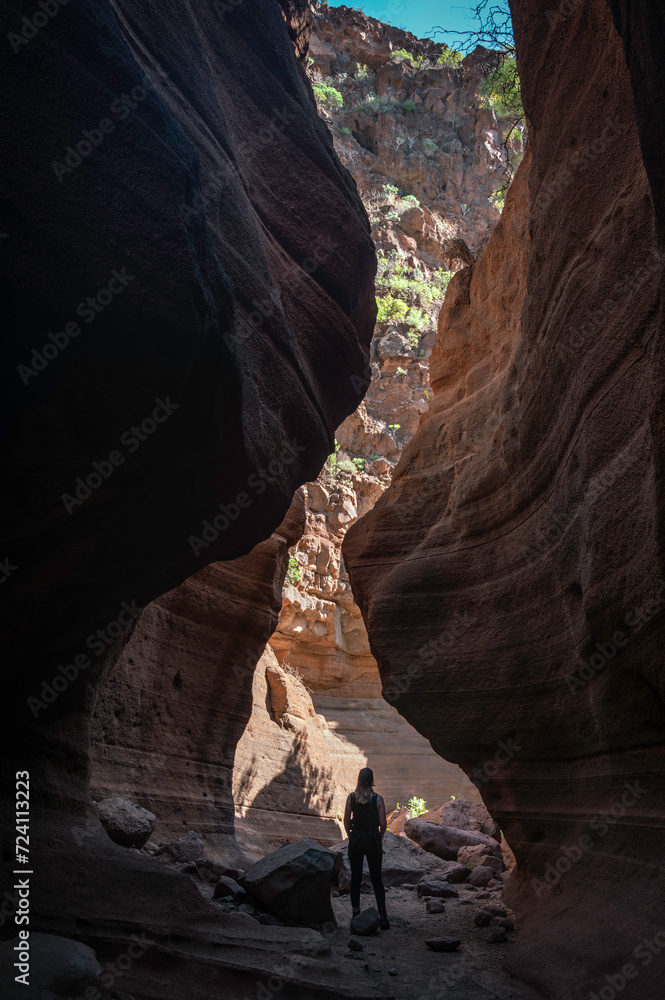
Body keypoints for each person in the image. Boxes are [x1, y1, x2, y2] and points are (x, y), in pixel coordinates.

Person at [343, 766, 389, 930]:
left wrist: (351, 835)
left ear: (359, 780)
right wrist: (380, 835)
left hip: (356, 840)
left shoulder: (351, 798)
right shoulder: (378, 799)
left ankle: (356, 914)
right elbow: (383, 823)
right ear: (372, 781)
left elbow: (346, 820)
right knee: (376, 878)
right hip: (372, 840)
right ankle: (383, 916)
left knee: (356, 877)